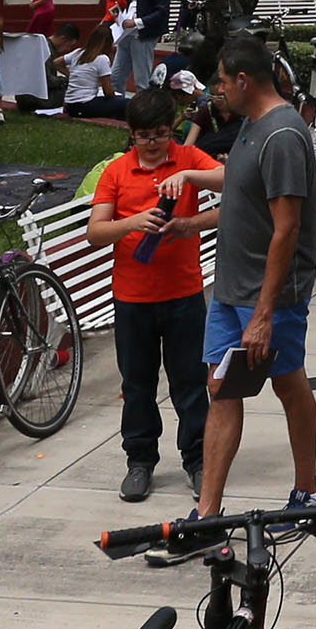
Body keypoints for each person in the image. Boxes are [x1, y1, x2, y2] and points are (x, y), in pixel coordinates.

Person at [172, 40, 316, 523]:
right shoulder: (249, 129)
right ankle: (208, 514)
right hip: (230, 290)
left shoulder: (282, 135)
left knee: (287, 384)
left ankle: (308, 491)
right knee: (222, 389)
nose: (216, 91)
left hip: (268, 298)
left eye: (220, 81)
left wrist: (263, 315)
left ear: (243, 80)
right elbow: (241, 187)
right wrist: (192, 203)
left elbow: (287, 228)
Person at [84, 86, 219, 503]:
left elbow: (234, 185)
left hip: (183, 293)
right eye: (143, 136)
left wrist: (190, 220)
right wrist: (133, 222)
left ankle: (197, 460)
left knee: (190, 383)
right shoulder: (118, 172)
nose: (152, 144)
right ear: (131, 134)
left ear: (172, 129)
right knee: (138, 384)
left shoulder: (189, 159)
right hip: (132, 297)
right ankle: (140, 460)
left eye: (160, 134)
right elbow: (94, 232)